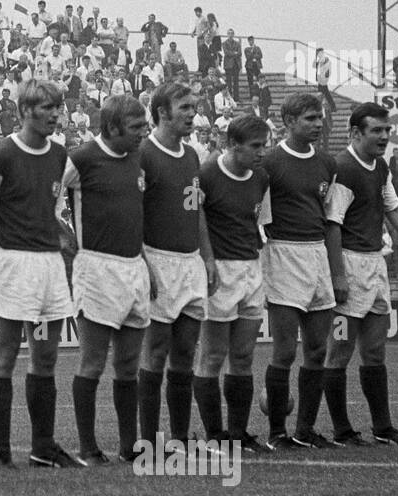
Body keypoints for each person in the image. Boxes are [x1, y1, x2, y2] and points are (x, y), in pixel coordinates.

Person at [0, 77, 80, 468]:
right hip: (12, 264)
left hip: (49, 266)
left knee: (45, 356)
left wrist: (60, 234)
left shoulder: (59, 155)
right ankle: (1, 453)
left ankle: (42, 447)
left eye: (58, 107)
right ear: (24, 112)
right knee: (3, 355)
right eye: (46, 108)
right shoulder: (1, 154)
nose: (55, 114)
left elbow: (47, 205)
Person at [321, 104, 398, 447]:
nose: (385, 136)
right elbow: (332, 225)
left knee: (375, 350)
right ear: (356, 133)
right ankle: (342, 430)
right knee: (339, 351)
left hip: (375, 264)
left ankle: (383, 428)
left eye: (387, 131)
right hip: (349, 265)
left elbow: (394, 209)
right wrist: (338, 276)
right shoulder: (344, 168)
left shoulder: (380, 166)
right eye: (377, 131)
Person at [61, 94, 151, 463]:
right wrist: (67, 241)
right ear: (112, 127)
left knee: (129, 363)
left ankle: (130, 446)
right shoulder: (81, 158)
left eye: (144, 126)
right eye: (135, 128)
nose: (142, 134)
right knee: (93, 362)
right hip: (96, 269)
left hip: (134, 267)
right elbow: (45, 202)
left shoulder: (137, 159)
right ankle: (88, 447)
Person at [260, 92, 343, 449]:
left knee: (316, 350)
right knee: (284, 351)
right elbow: (258, 217)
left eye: (320, 118)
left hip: (317, 256)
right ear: (289, 121)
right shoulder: (270, 162)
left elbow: (329, 219)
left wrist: (337, 271)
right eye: (310, 118)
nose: (318, 124)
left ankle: (305, 430)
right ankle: (277, 433)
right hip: (283, 254)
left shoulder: (327, 163)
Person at [136, 80, 216, 446]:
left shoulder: (192, 154)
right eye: (184, 107)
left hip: (190, 263)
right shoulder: (143, 154)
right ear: (161, 113)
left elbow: (196, 209)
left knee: (185, 354)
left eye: (193, 106)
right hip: (157, 260)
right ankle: (150, 442)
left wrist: (208, 256)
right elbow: (131, 214)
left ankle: (181, 438)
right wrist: (142, 263)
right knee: (155, 353)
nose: (192, 113)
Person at [193, 115, 275, 454]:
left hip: (251, 268)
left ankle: (239, 435)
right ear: (233, 145)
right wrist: (208, 261)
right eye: (255, 147)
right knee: (212, 356)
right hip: (218, 271)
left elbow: (262, 225)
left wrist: (264, 271)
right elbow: (194, 219)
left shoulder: (261, 177)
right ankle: (215, 436)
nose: (261, 153)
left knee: (242, 356)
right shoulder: (206, 175)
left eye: (264, 145)